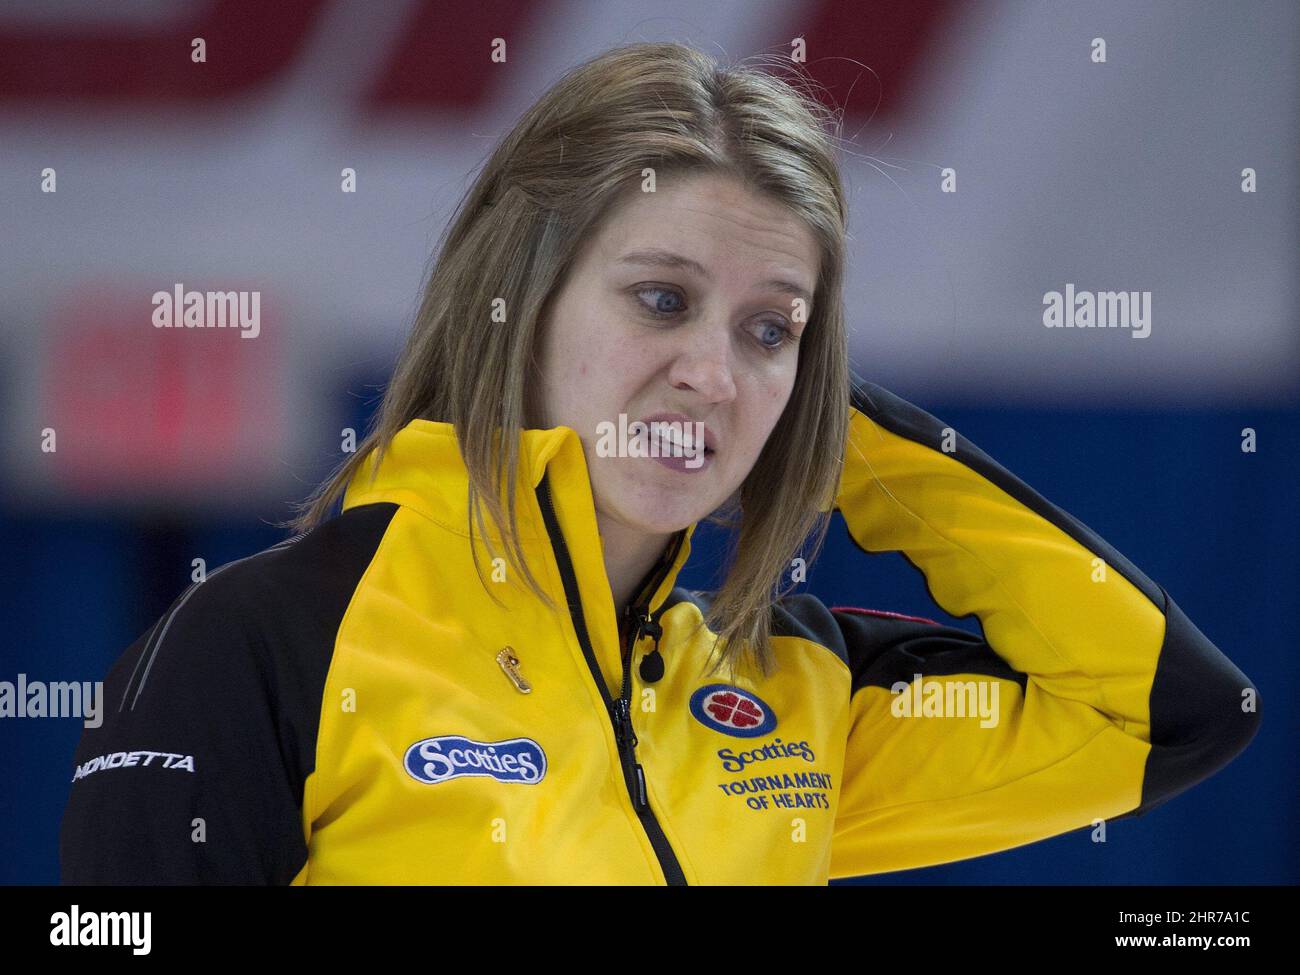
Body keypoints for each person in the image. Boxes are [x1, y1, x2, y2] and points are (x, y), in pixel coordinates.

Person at [60, 41, 1260, 885]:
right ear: (514, 303)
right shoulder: (265, 642)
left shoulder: (792, 689)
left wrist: (846, 443)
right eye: (658, 299)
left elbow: (1168, 715)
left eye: (769, 329)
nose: (713, 373)